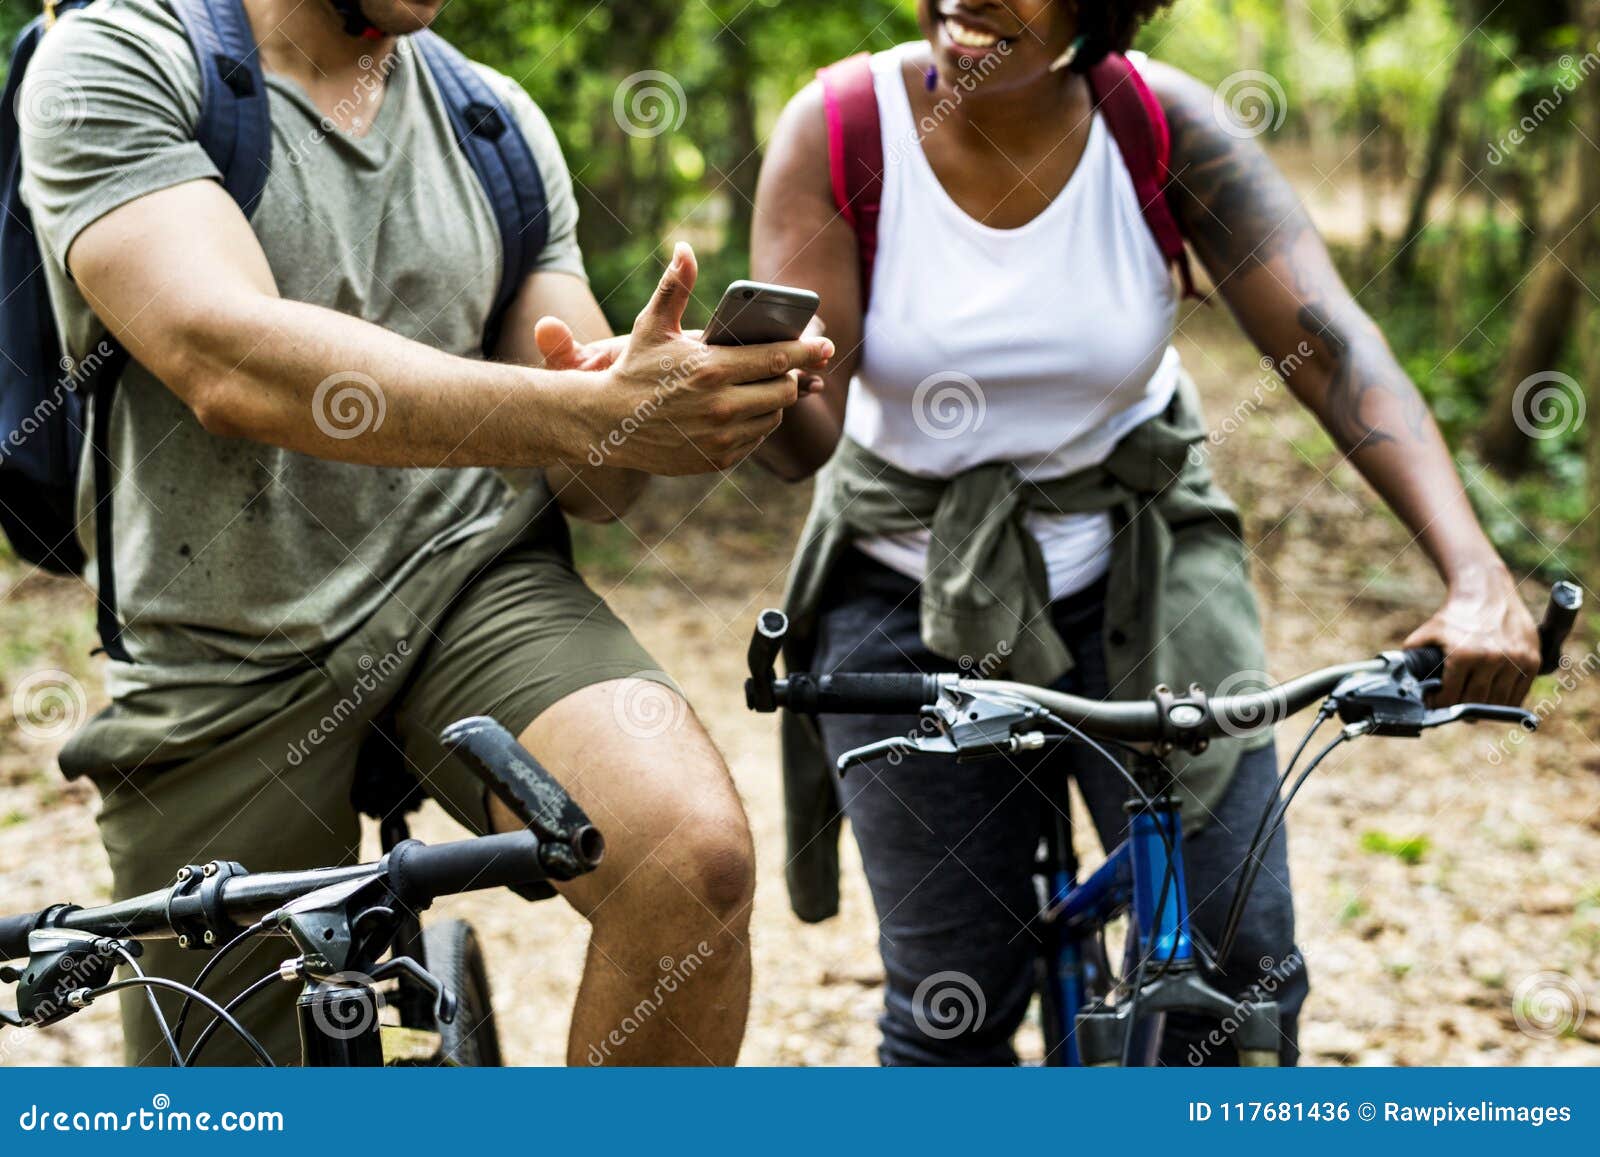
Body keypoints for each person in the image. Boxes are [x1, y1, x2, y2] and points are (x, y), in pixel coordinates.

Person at [19, 0, 832, 1065]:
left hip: (469, 585)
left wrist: (664, 403)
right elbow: (224, 358)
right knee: (231, 1092)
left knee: (689, 861)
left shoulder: (488, 118)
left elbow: (588, 483)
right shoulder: (120, 57)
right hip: (220, 635)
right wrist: (584, 410)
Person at [751, 0, 1540, 1065]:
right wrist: (741, 383)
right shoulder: (842, 127)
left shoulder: (1163, 128)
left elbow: (1333, 347)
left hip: (1142, 555)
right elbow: (807, 440)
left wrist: (1476, 575)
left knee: (1228, 970)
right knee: (952, 998)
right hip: (908, 577)